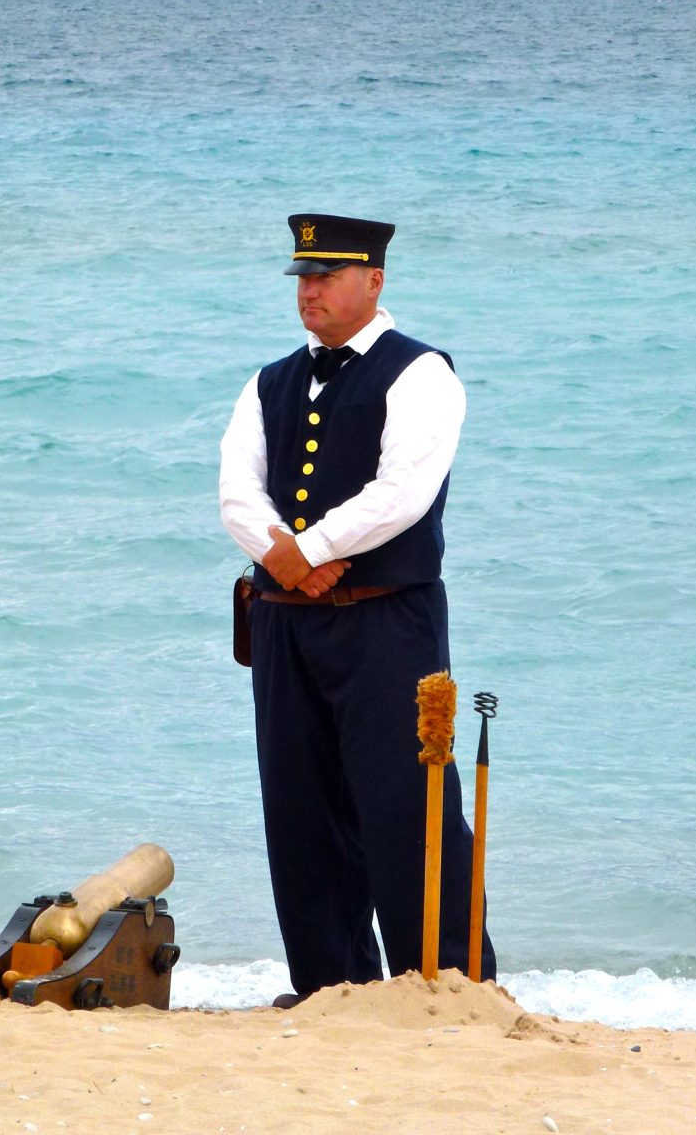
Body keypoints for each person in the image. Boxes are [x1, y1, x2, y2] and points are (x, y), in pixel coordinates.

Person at [219, 212, 495, 1004]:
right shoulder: (268, 379)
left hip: (384, 620)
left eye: (327, 276)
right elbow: (238, 487)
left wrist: (303, 550)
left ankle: (447, 982)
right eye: (303, 278)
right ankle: (330, 986)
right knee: (299, 804)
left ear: (374, 281)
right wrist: (284, 555)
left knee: (408, 801)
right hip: (282, 620)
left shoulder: (421, 374)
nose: (310, 291)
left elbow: (403, 492)